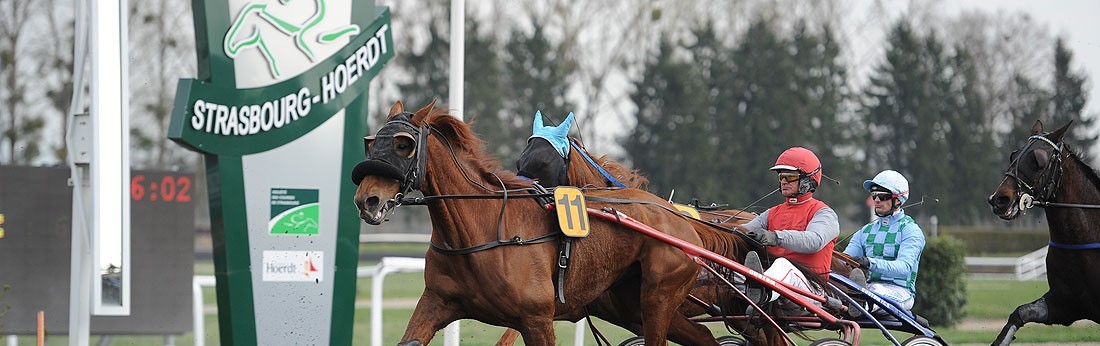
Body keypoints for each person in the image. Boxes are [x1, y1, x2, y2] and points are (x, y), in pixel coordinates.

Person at [738, 147, 840, 304]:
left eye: (790, 176)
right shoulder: (772, 212)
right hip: (776, 282)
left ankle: (762, 295)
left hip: (812, 289)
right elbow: (742, 232)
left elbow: (814, 241)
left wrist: (775, 237)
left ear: (808, 180)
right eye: (781, 176)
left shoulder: (824, 213)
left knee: (783, 264)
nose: (783, 181)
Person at [843, 170, 926, 310]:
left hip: (901, 292)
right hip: (868, 289)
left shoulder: (911, 230)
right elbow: (844, 260)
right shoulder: (865, 231)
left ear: (898, 200)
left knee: (872, 292)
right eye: (874, 195)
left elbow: (903, 269)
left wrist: (870, 263)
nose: (876, 200)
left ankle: (860, 305)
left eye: (882, 196)